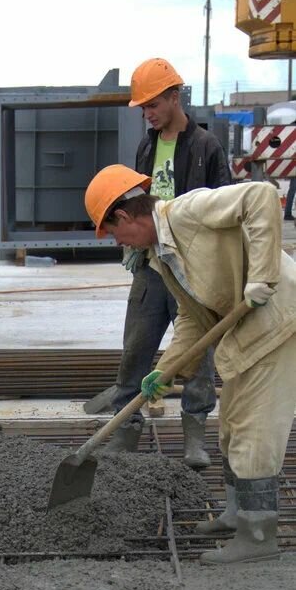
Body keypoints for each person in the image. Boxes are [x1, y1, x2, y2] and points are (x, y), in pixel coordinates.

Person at [85, 163, 296, 565]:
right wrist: (164, 370)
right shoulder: (162, 256)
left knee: (255, 429)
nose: (119, 243)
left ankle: (258, 535)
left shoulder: (187, 211)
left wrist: (263, 276)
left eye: (114, 232)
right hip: (248, 333)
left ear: (126, 216)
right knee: (231, 427)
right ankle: (237, 514)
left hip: (279, 323)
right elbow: (190, 318)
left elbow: (262, 196)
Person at [108, 58, 232, 468]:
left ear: (174, 97)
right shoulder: (147, 144)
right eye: (143, 107)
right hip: (150, 263)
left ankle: (194, 436)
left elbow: (226, 206)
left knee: (196, 352)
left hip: (192, 268)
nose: (147, 112)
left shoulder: (206, 146)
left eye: (152, 104)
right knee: (135, 348)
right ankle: (126, 432)